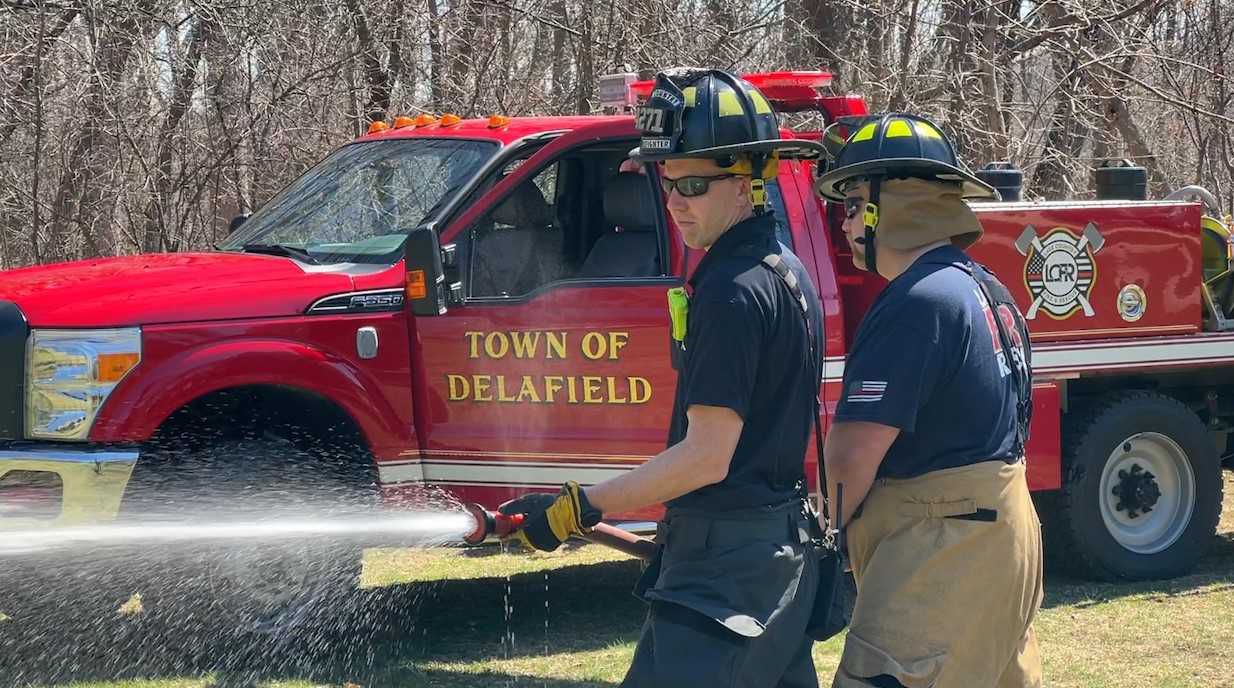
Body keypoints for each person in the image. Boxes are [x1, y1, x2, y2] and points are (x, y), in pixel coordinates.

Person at [498, 68, 828, 687]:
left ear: (747, 183)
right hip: (771, 558)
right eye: (665, 181)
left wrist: (580, 507)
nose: (674, 202)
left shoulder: (732, 291)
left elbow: (706, 458)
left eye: (693, 185)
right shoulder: (782, 269)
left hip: (724, 577)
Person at [814, 113, 1043, 688]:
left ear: (890, 205)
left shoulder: (917, 300)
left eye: (852, 204)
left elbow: (851, 457)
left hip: (943, 552)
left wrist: (818, 540)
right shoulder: (986, 287)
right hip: (1002, 538)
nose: (844, 223)